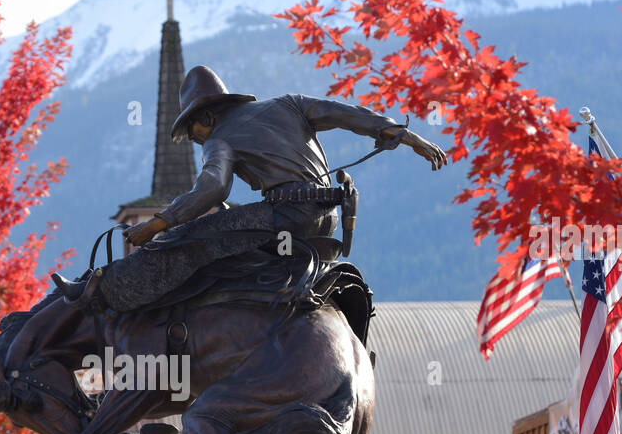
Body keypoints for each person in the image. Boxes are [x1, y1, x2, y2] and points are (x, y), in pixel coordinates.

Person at [53, 65, 447, 311]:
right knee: (225, 226)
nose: (194, 141)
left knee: (186, 238)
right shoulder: (289, 104)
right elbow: (345, 114)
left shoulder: (219, 138)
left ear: (207, 116)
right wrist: (405, 135)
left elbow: (211, 190)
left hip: (287, 218)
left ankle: (103, 291)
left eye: (193, 131)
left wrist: (158, 224)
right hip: (327, 219)